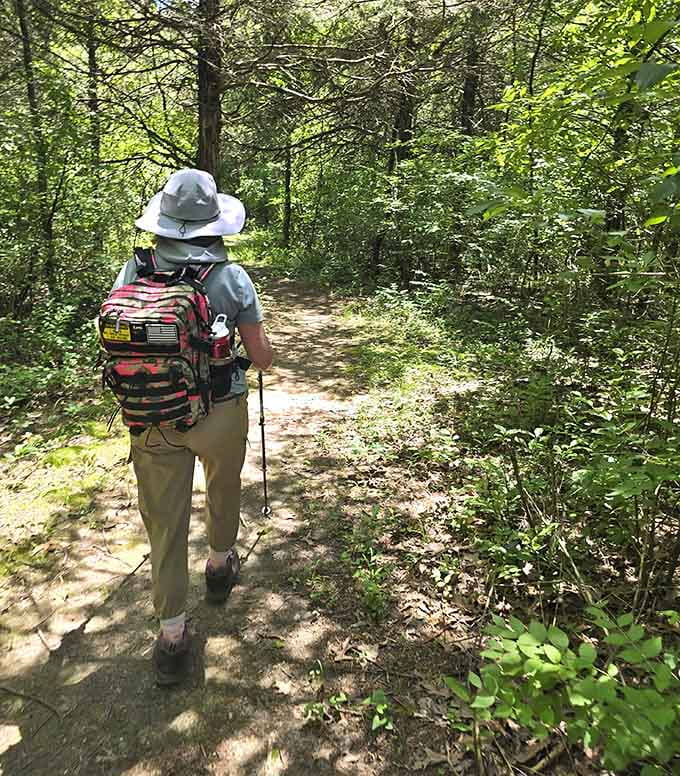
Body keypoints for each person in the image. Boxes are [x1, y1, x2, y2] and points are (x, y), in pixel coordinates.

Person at [111, 169, 273, 685]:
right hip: (220, 410)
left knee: (164, 519)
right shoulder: (231, 278)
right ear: (213, 223)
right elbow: (263, 358)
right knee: (222, 487)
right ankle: (220, 566)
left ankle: (173, 635)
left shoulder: (132, 269)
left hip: (151, 413)